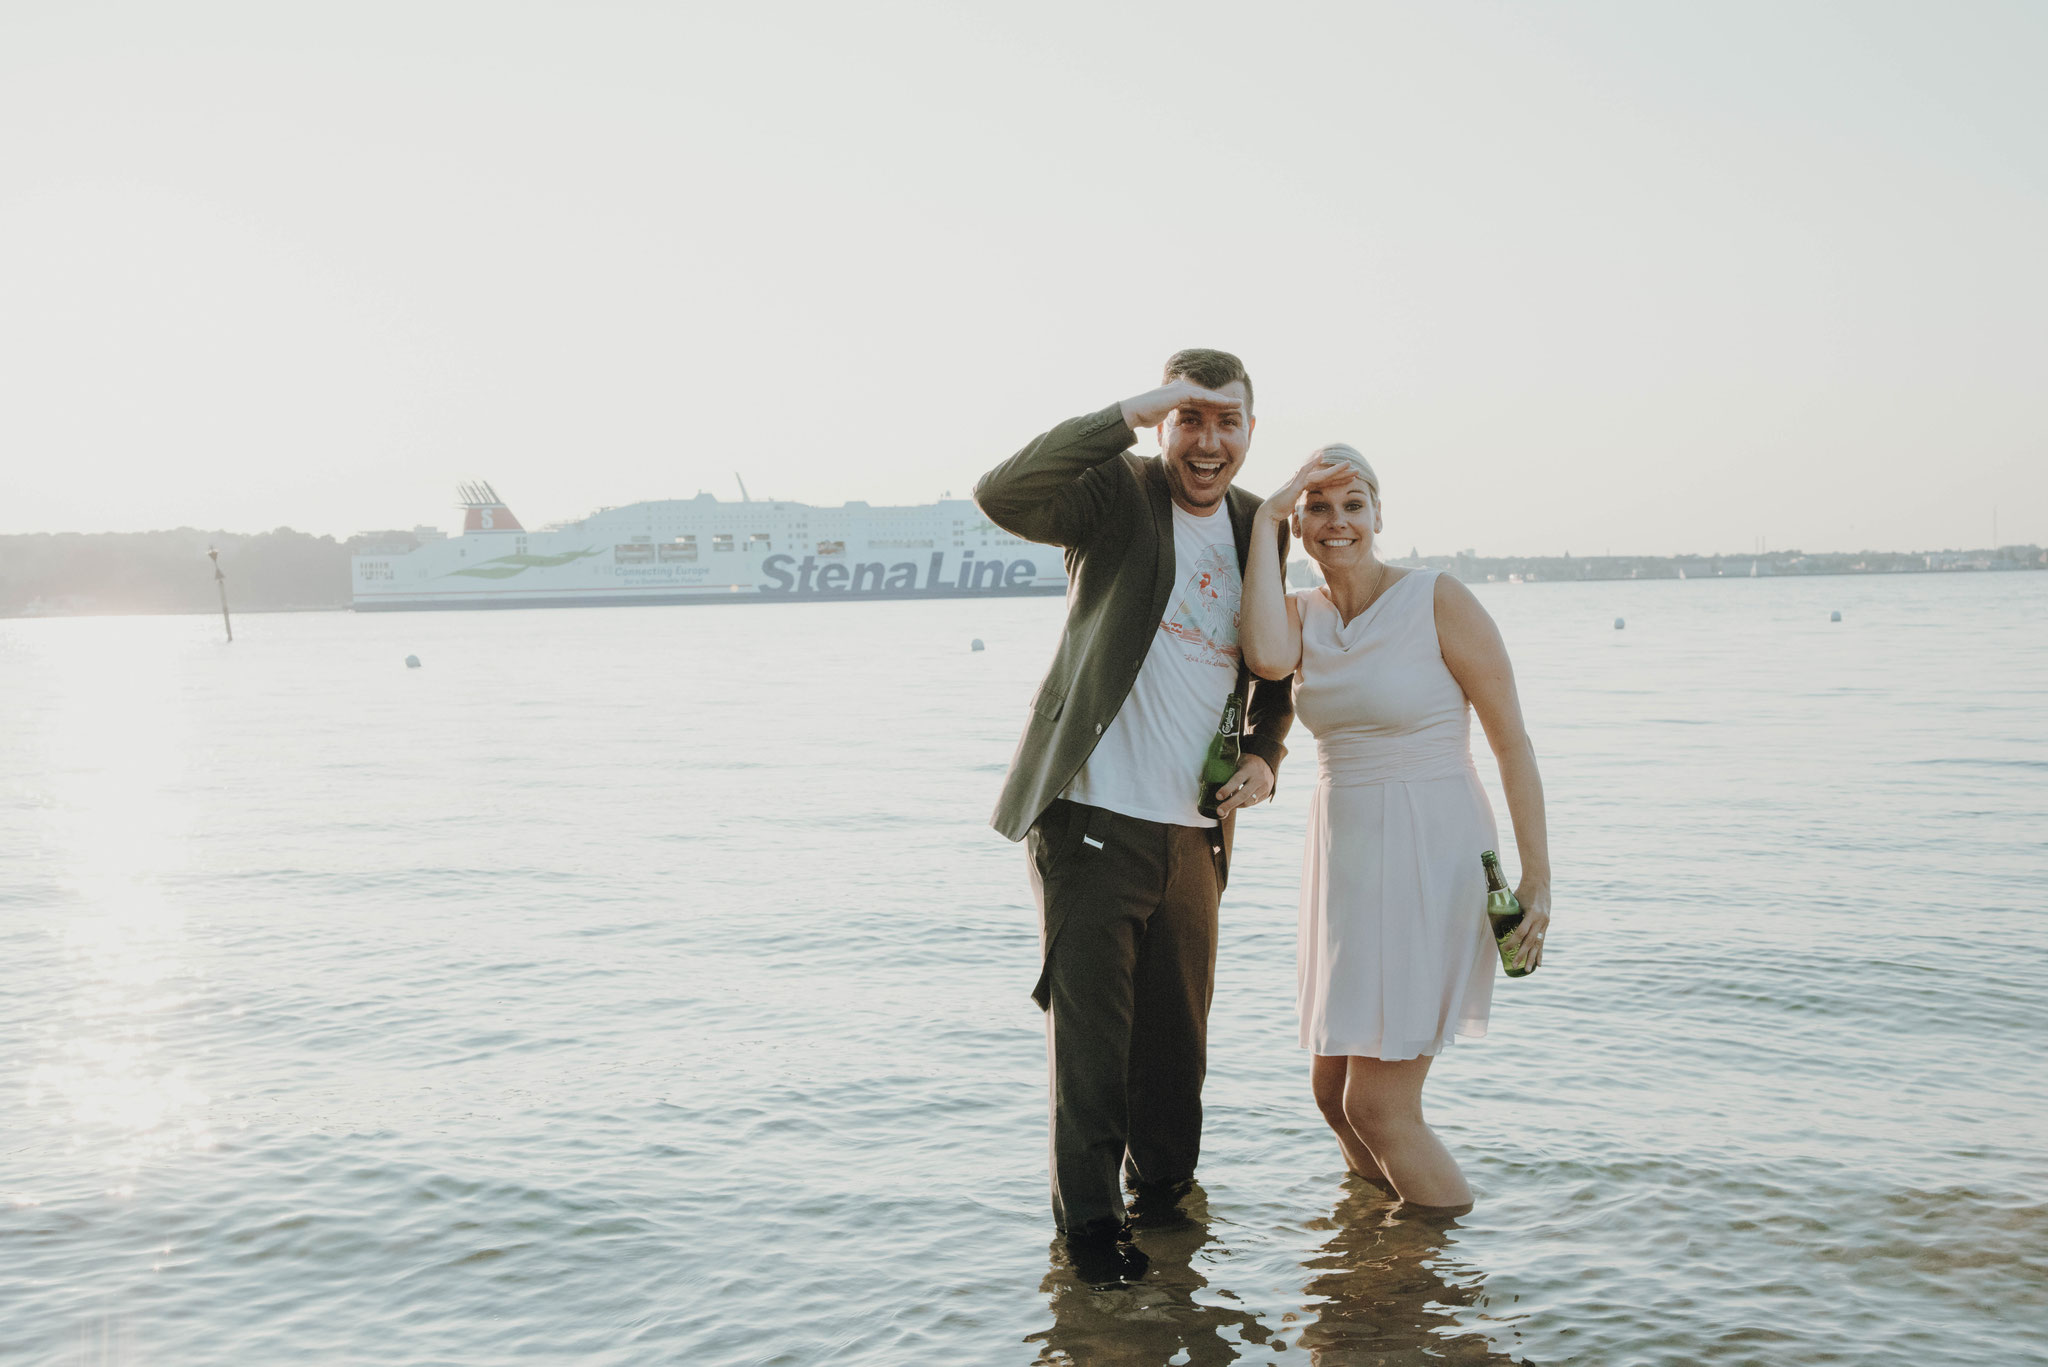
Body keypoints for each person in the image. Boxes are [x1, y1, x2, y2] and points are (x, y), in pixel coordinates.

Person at [975, 349, 1295, 1266]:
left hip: (1196, 837)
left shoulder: (1259, 525)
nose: (1208, 441)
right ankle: (1091, 1252)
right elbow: (1003, 492)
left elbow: (1278, 666)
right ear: (1165, 424)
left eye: (1226, 421)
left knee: (1175, 1063)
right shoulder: (1116, 491)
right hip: (1091, 820)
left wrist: (1267, 755)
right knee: (1091, 1059)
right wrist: (1128, 412)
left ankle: (1170, 1235)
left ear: (1250, 430)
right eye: (1189, 418)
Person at [1239, 444, 1552, 1209]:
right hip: (1346, 866)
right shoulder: (1301, 616)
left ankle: (1445, 1251)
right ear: (1299, 524)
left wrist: (1538, 878)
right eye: (1317, 507)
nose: (1337, 521)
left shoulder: (1437, 599)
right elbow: (1264, 657)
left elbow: (1512, 741)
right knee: (1331, 1096)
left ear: (1379, 514)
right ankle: (1382, 1254)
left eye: (1354, 504)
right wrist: (1268, 515)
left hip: (1429, 853)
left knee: (1378, 1106)